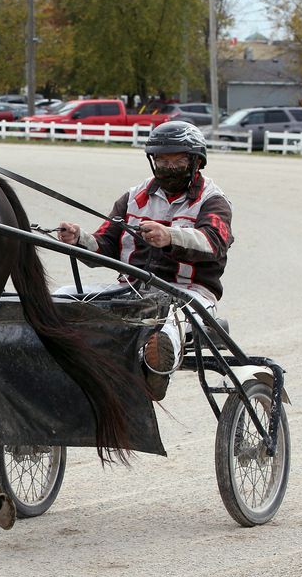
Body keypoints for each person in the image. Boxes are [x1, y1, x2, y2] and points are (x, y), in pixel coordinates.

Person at [58, 120, 233, 400]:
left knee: (173, 320)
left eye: (178, 161)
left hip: (189, 292)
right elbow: (105, 243)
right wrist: (79, 239)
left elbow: (214, 243)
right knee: (61, 297)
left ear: (196, 162)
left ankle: (156, 370)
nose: (169, 167)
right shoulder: (133, 197)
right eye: (162, 160)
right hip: (131, 289)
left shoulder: (212, 200)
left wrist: (170, 236)